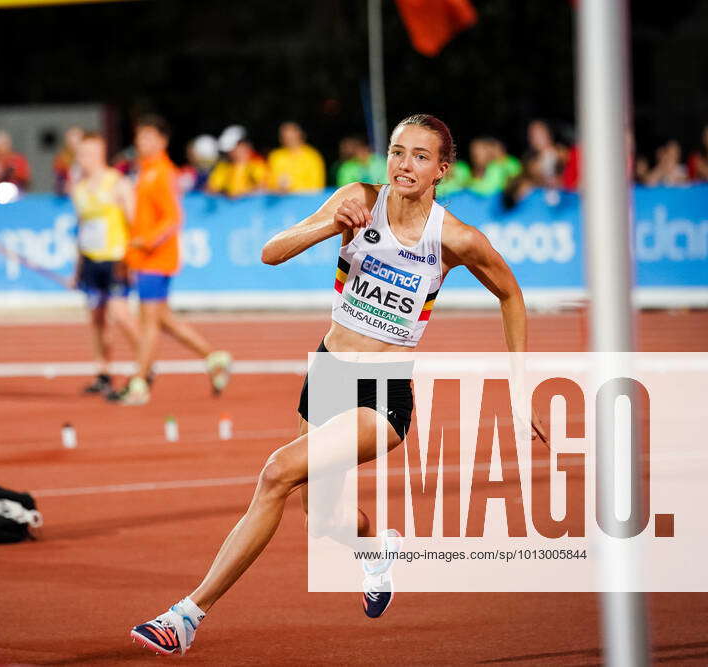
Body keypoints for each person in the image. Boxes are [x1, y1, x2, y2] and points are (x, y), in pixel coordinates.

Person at [129, 114, 548, 656]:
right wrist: (328, 226)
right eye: (398, 151)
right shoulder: (358, 199)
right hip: (326, 373)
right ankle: (378, 548)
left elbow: (511, 295)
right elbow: (272, 252)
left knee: (276, 473)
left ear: (442, 169)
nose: (405, 164)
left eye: (421, 156)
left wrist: (520, 387)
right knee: (321, 519)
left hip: (383, 391)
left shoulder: (456, 238)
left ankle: (186, 616)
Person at [111, 115, 231, 406]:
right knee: (161, 318)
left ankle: (139, 381)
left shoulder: (161, 171)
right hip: (145, 257)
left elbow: (174, 218)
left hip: (155, 258)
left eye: (150, 137)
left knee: (149, 321)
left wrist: (147, 241)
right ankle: (213, 356)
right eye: (140, 136)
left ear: (163, 141)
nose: (142, 142)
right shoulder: (145, 170)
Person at [70, 132, 140, 396]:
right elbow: (81, 229)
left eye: (88, 153)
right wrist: (77, 270)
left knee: (120, 314)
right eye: (80, 154)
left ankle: (144, 365)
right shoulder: (78, 189)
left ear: (100, 154)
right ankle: (103, 372)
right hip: (91, 261)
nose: (83, 159)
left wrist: (131, 261)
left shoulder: (117, 183)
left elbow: (134, 224)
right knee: (97, 319)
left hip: (115, 258)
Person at [267, 121, 325, 193]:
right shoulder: (275, 156)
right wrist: (276, 188)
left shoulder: (312, 157)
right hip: (280, 200)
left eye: (292, 137)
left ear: (300, 135)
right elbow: (268, 182)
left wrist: (291, 188)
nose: (289, 140)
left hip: (305, 201)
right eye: (285, 137)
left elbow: (317, 186)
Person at [53, 125, 84, 195]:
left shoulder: (90, 159)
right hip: (68, 198)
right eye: (71, 142)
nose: (74, 145)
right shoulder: (61, 160)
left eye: (77, 141)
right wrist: (64, 187)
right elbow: (58, 183)